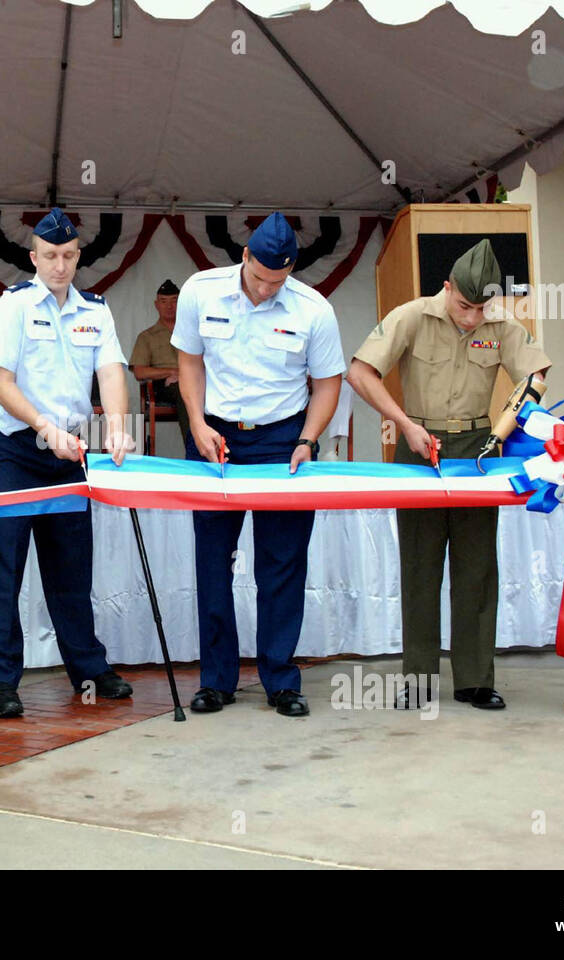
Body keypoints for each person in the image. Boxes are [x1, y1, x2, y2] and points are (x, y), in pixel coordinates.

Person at [347, 238, 550, 710]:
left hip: (478, 451)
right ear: (447, 288)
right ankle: (417, 679)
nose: (473, 316)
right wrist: (404, 425)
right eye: (465, 305)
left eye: (482, 307)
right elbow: (360, 372)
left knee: (476, 567)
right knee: (420, 567)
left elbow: (537, 375)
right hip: (420, 448)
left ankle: (475, 678)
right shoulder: (413, 315)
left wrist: (504, 427)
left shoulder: (501, 324)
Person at [172, 212, 345, 718]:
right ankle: (217, 680)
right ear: (244, 257)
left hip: (281, 441)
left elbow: (328, 382)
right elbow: (189, 361)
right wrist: (198, 424)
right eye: (261, 278)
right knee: (213, 561)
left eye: (280, 281)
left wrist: (308, 439)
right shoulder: (200, 291)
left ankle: (281, 679)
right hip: (216, 439)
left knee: (282, 564)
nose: (269, 290)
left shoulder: (314, 308)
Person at [0, 207, 135, 719]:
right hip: (16, 452)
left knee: (71, 569)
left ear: (79, 256)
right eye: (50, 256)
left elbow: (111, 371)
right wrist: (44, 426)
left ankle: (88, 668)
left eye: (68, 256)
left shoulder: (96, 310)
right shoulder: (15, 306)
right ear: (33, 257)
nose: (60, 266)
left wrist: (115, 424)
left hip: (70, 456)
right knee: (6, 567)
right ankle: (1, 679)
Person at [129, 279, 190, 446]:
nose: (169, 306)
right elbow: (139, 372)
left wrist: (184, 375)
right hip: (163, 386)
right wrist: (172, 372)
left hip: (193, 381)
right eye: (164, 302)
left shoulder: (192, 333)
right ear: (157, 305)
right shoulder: (147, 336)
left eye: (174, 301)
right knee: (183, 389)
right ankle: (194, 449)